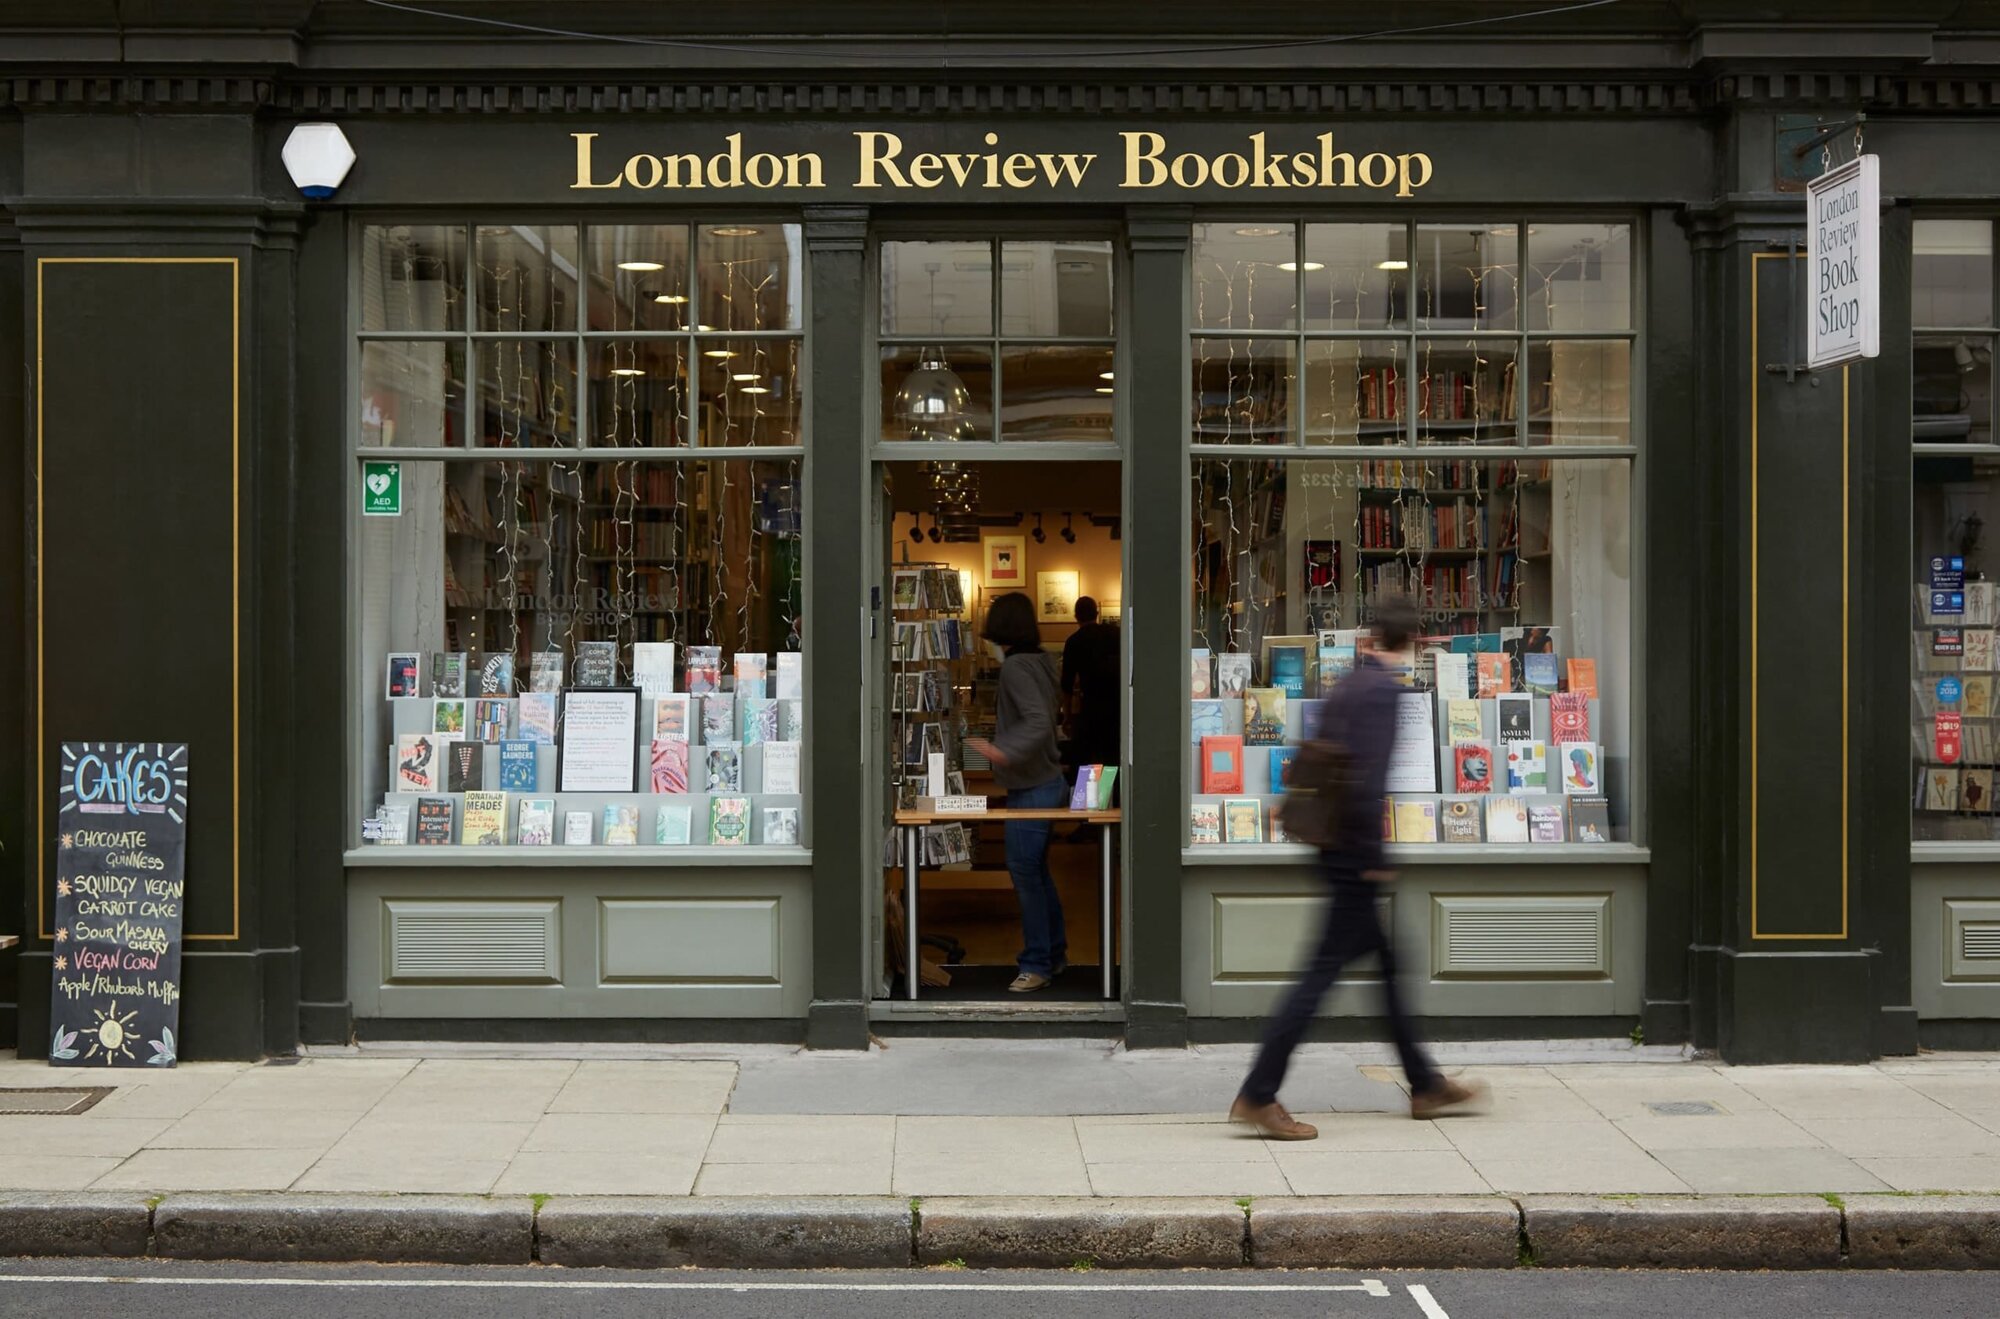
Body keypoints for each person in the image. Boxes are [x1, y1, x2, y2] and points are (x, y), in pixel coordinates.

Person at [1231, 595, 1487, 1139]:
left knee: (1389, 968)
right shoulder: (1382, 694)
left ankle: (1425, 1083)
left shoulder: (1348, 683)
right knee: (1319, 978)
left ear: (1372, 638)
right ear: (1416, 644)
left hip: (1333, 845)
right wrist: (1374, 859)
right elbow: (1366, 780)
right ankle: (1258, 1092)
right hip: (1352, 854)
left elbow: (1328, 763)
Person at [965, 591, 1069, 993]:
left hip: (1032, 786)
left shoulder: (1015, 669)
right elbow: (1048, 718)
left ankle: (1038, 963)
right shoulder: (1041, 662)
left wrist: (1001, 751)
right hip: (1044, 781)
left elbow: (1039, 721)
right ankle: (1053, 955)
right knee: (1037, 874)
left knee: (1026, 874)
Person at [1061, 595, 1121, 805]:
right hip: (1117, 709)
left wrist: (1067, 717)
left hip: (1090, 710)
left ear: (1076, 616)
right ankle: (1115, 810)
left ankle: (1086, 815)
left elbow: (1066, 685)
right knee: (1113, 761)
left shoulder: (1075, 641)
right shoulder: (1116, 634)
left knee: (1085, 763)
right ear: (1097, 614)